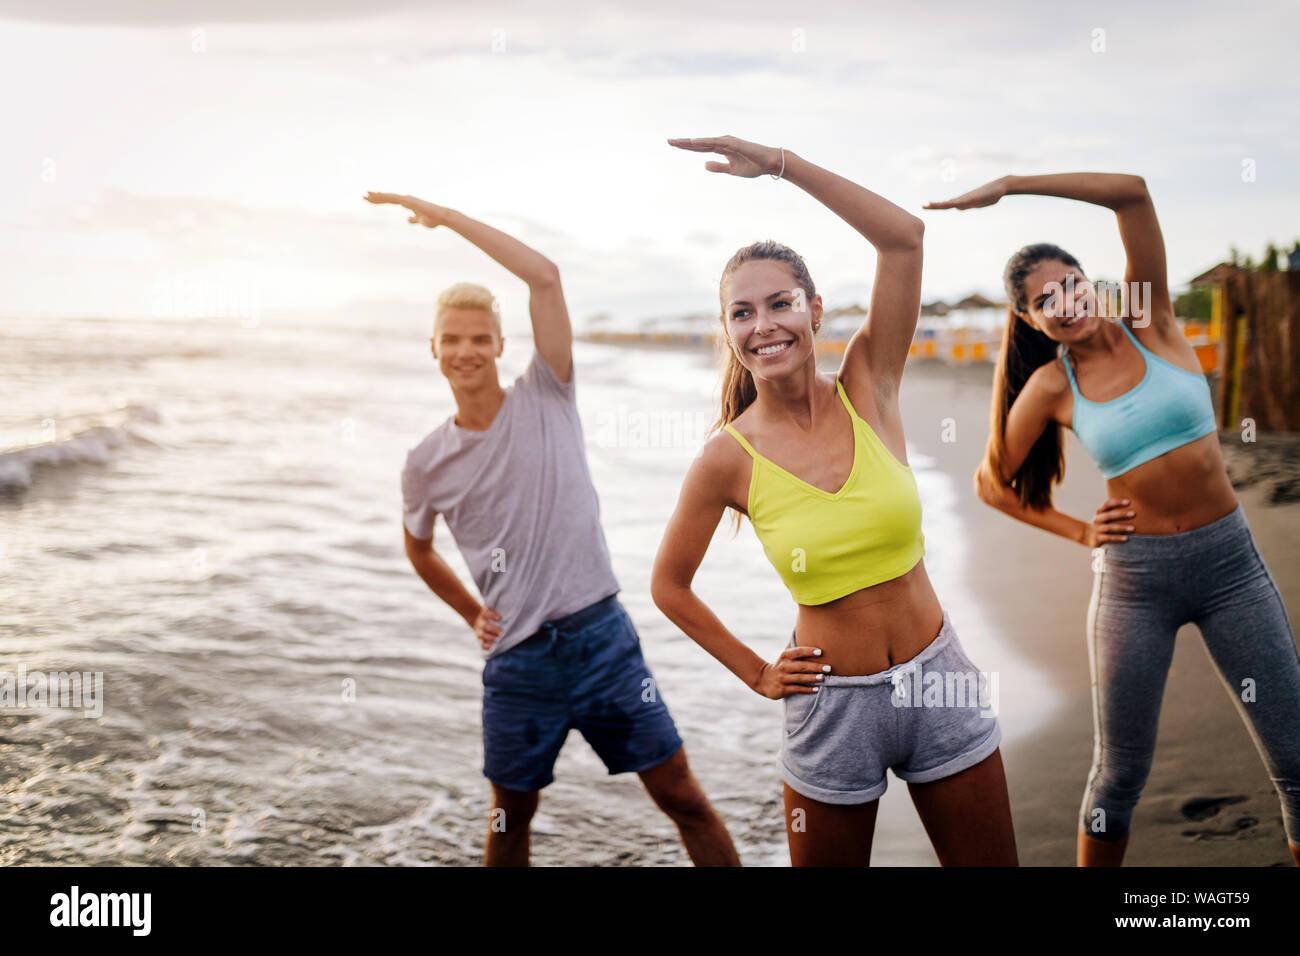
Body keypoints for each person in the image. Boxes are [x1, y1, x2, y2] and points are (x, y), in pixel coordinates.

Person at [650, 137, 1018, 866]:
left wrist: (783, 164)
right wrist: (757, 672)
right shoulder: (727, 456)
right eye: (743, 313)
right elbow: (668, 586)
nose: (764, 326)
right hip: (831, 708)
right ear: (728, 332)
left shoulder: (868, 385)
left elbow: (904, 237)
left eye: (781, 303)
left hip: (938, 679)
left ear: (814, 309)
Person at [926, 171, 1300, 866]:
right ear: (1032, 321)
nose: (1064, 303)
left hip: (1231, 568)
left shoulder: (1151, 321)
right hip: (1137, 585)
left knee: (1297, 761)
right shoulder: (1049, 386)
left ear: (1091, 281)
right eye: (1044, 302)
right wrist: (1080, 532)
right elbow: (990, 483)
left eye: (1070, 284)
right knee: (1119, 776)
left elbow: (1131, 192)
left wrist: (1010, 185)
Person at [366, 191, 739, 866]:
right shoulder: (425, 463)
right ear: (434, 349)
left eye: (480, 338)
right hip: (518, 663)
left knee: (681, 795)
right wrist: (469, 610)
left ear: (501, 345)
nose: (467, 351)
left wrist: (446, 218)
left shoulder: (549, 392)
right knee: (510, 819)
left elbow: (544, 277)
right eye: (452, 339)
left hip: (603, 642)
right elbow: (417, 546)